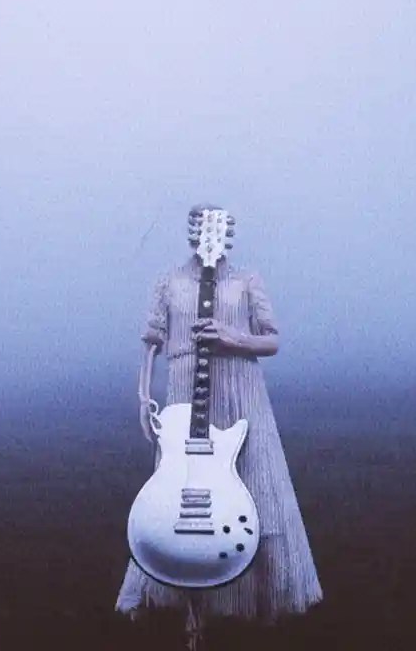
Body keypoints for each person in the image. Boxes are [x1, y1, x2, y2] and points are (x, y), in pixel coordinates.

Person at [116, 203, 323, 648]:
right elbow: (150, 343)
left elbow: (272, 338)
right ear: (191, 231)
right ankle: (188, 608)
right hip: (185, 397)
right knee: (179, 495)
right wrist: (142, 397)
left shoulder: (247, 281)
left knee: (254, 487)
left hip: (241, 393)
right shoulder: (168, 282)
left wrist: (234, 338)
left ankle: (262, 601)